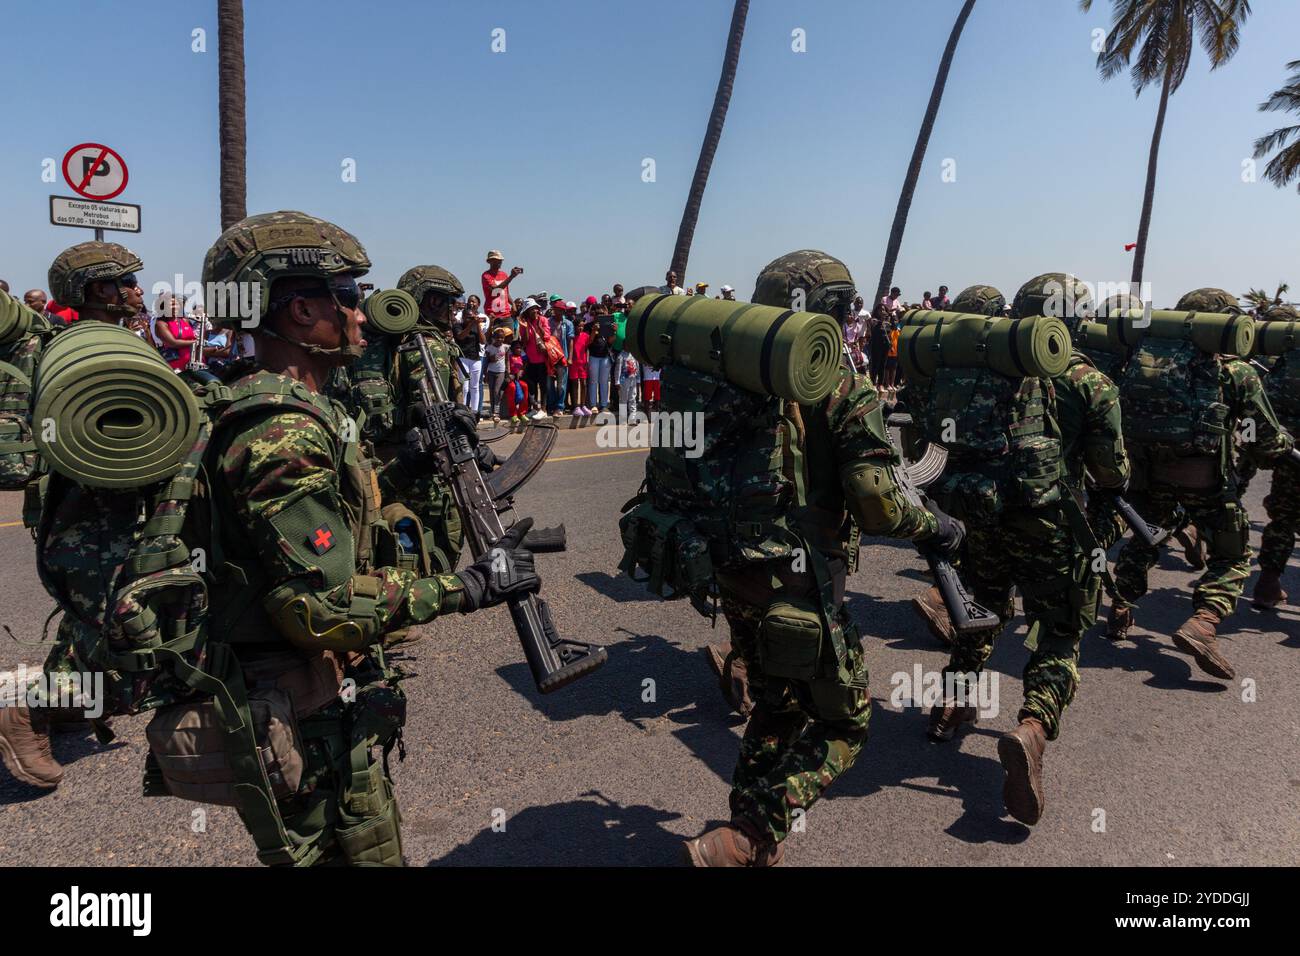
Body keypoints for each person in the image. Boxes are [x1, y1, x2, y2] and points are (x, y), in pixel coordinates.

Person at [177, 210, 538, 864]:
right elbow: (322, 606)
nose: (363, 315)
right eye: (347, 297)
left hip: (315, 699)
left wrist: (408, 464)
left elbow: (331, 520)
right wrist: (468, 586)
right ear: (297, 312)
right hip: (300, 715)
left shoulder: (286, 408)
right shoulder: (281, 433)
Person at [624, 250, 960, 866]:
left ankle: (745, 832)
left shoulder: (711, 362)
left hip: (727, 564)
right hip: (799, 575)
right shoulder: (833, 379)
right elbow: (876, 504)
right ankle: (749, 837)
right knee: (844, 724)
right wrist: (935, 524)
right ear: (832, 308)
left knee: (776, 706)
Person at [921, 273, 1129, 828]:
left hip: (980, 520)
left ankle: (952, 703)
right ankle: (1032, 726)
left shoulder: (975, 369)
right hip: (1052, 528)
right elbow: (1111, 472)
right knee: (1059, 629)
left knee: (982, 606)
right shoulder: (1090, 382)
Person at [0, 240, 147, 788]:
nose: (137, 289)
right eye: (125, 282)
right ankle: (27, 714)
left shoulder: (118, 339)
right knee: (107, 612)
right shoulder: (54, 345)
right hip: (82, 503)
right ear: (93, 291)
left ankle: (65, 703)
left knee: (96, 609)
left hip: (119, 498)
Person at [1108, 287, 1293, 679]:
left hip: (1146, 475)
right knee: (1232, 555)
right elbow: (1265, 439)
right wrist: (1281, 446)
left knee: (1145, 535)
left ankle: (1120, 606)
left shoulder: (1141, 361)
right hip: (1206, 481)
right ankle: (1204, 622)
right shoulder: (1235, 371)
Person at [455, 293, 486, 416]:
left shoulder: (475, 326)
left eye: (472, 317)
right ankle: (463, 408)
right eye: (468, 317)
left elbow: (483, 341)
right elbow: (460, 336)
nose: (470, 319)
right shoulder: (458, 326)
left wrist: (477, 325)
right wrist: (470, 325)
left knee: (475, 387)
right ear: (463, 317)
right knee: (465, 386)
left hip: (475, 359)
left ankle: (474, 411)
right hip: (463, 358)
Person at [153, 292, 197, 370]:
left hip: (195, 360)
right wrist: (195, 342)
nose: (174, 307)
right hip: (177, 365)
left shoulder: (185, 320)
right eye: (171, 305)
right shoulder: (161, 324)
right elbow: (172, 343)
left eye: (176, 304)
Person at [481, 250, 521, 324]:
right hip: (492, 314)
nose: (499, 262)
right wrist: (511, 276)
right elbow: (496, 290)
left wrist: (513, 304)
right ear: (490, 261)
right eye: (496, 260)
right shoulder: (486, 276)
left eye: (500, 260)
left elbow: (506, 292)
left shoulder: (504, 274)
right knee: (494, 335)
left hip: (506, 314)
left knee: (510, 334)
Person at [586, 305, 613, 413]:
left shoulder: (607, 325)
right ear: (593, 315)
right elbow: (588, 342)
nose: (599, 315)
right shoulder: (588, 326)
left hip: (605, 356)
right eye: (597, 313)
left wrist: (614, 331)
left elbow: (611, 341)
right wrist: (593, 331)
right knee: (593, 381)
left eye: (601, 313)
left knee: (604, 381)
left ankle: (603, 404)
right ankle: (593, 404)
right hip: (593, 356)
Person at [483, 326, 511, 423]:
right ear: (494, 337)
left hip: (501, 372)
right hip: (491, 372)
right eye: (498, 337)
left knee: (497, 391)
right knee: (491, 392)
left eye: (502, 338)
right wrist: (485, 374)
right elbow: (486, 362)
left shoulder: (505, 347)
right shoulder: (489, 348)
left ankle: (497, 412)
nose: (500, 339)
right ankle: (492, 411)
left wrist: (508, 372)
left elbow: (507, 360)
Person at [552, 300, 575, 415]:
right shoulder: (548, 322)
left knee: (561, 384)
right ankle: (550, 405)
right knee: (549, 383)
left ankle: (559, 406)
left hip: (563, 357)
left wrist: (570, 357)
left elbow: (571, 341)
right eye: (557, 310)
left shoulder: (568, 324)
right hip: (550, 357)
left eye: (561, 310)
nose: (559, 312)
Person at [570, 317, 591, 415]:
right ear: (574, 326)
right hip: (573, 363)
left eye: (582, 326)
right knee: (574, 385)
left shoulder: (586, 336)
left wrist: (587, 360)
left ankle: (583, 405)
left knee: (584, 384)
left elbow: (587, 348)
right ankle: (576, 407)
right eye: (579, 326)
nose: (581, 328)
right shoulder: (571, 336)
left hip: (583, 363)